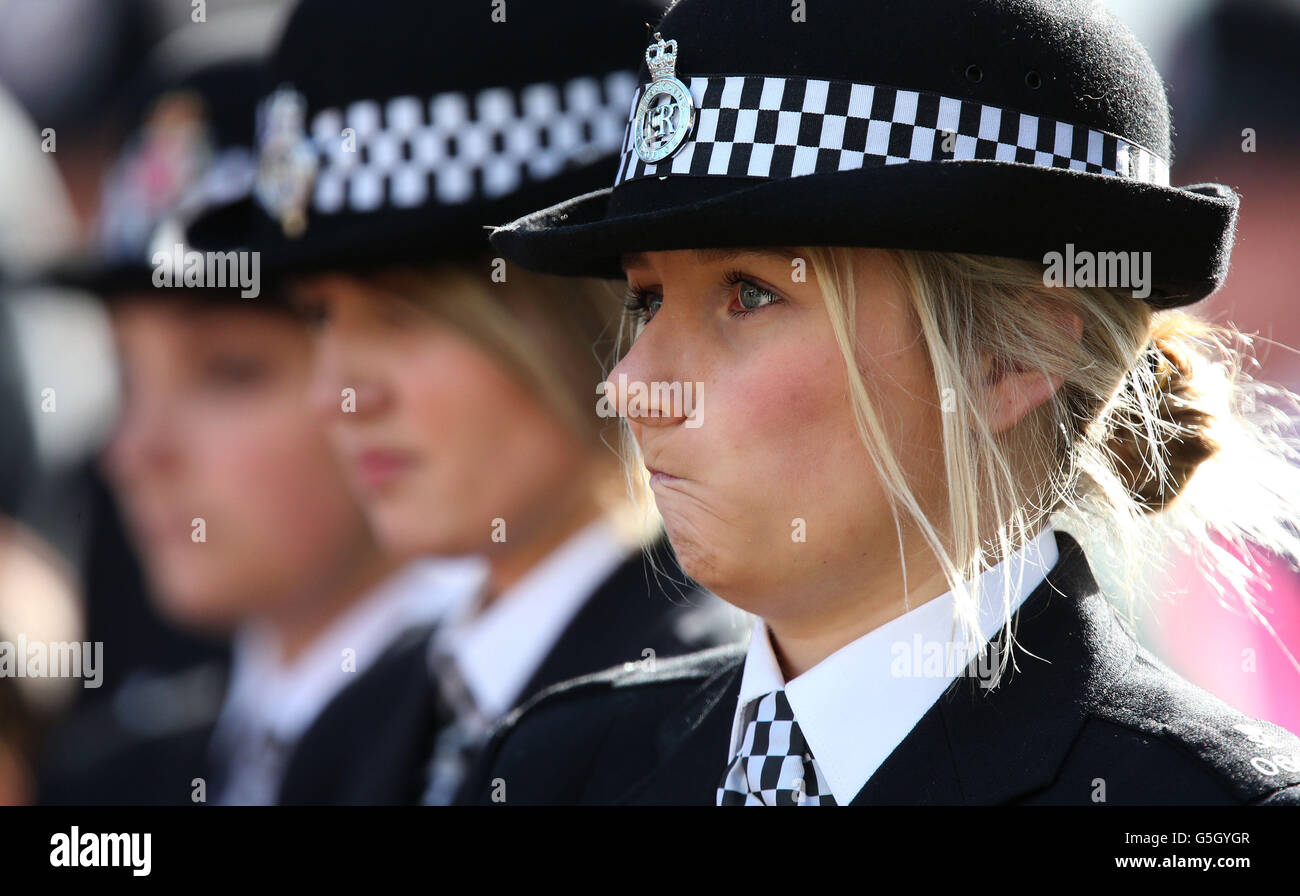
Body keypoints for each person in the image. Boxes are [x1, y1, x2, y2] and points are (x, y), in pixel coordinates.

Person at [468, 0, 1300, 805]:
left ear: (1010, 358)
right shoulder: (557, 768)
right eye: (647, 300)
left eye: (749, 293)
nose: (632, 386)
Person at [186, 0, 743, 805]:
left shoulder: (707, 723)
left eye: (402, 315)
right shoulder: (356, 724)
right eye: (318, 317)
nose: (338, 395)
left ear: (581, 305)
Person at [36, 56, 479, 806]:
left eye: (229, 371)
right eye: (124, 374)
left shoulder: (501, 757)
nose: (135, 451)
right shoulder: (113, 778)